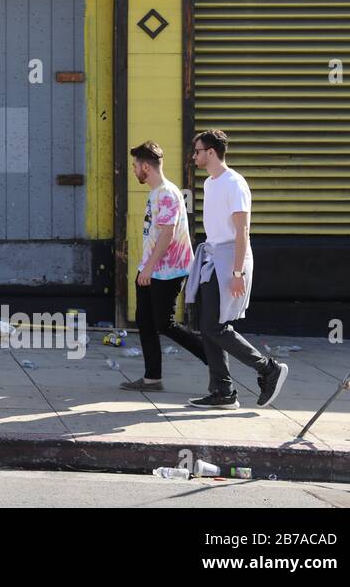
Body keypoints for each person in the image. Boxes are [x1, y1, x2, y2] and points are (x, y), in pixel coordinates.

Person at [184, 129, 288, 409]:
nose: (194, 156)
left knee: (216, 326)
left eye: (197, 151)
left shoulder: (234, 183)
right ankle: (223, 392)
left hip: (231, 258)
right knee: (207, 327)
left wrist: (238, 272)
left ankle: (268, 369)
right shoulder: (209, 183)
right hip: (212, 257)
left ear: (211, 152)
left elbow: (243, 231)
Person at [121, 141, 209, 391]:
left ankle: (213, 359)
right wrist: (145, 267)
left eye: (135, 166)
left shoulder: (167, 193)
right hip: (152, 267)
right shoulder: (156, 192)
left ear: (146, 167)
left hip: (168, 270)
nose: (133, 170)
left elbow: (167, 234)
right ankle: (152, 378)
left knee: (164, 323)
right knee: (145, 322)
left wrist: (148, 268)